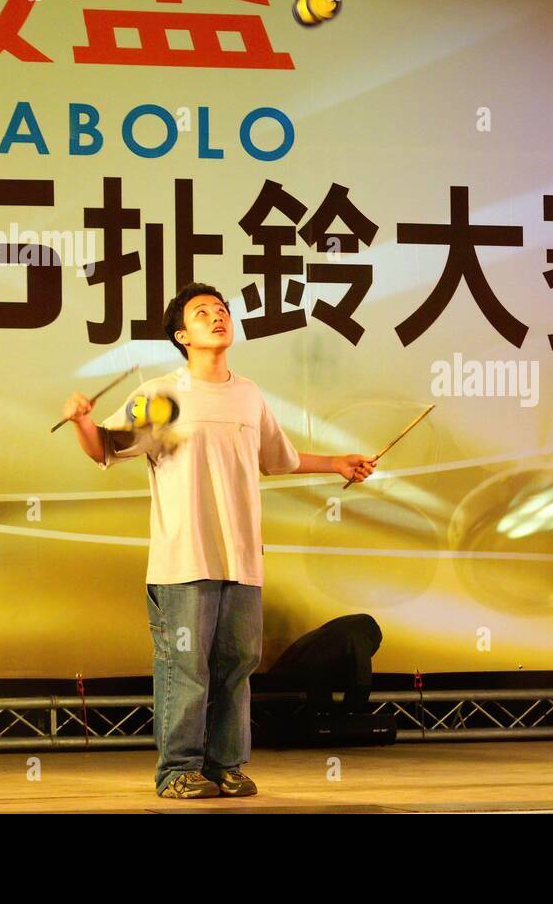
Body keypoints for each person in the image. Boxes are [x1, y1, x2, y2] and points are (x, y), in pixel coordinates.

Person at [61, 282, 376, 798]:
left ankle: (225, 764)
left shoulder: (248, 394)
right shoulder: (161, 396)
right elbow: (105, 448)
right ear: (183, 335)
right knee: (185, 666)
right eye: (203, 312)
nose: (218, 316)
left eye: (223, 309)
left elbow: (280, 458)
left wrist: (338, 462)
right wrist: (82, 421)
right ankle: (177, 769)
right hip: (184, 558)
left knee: (236, 666)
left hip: (242, 558)